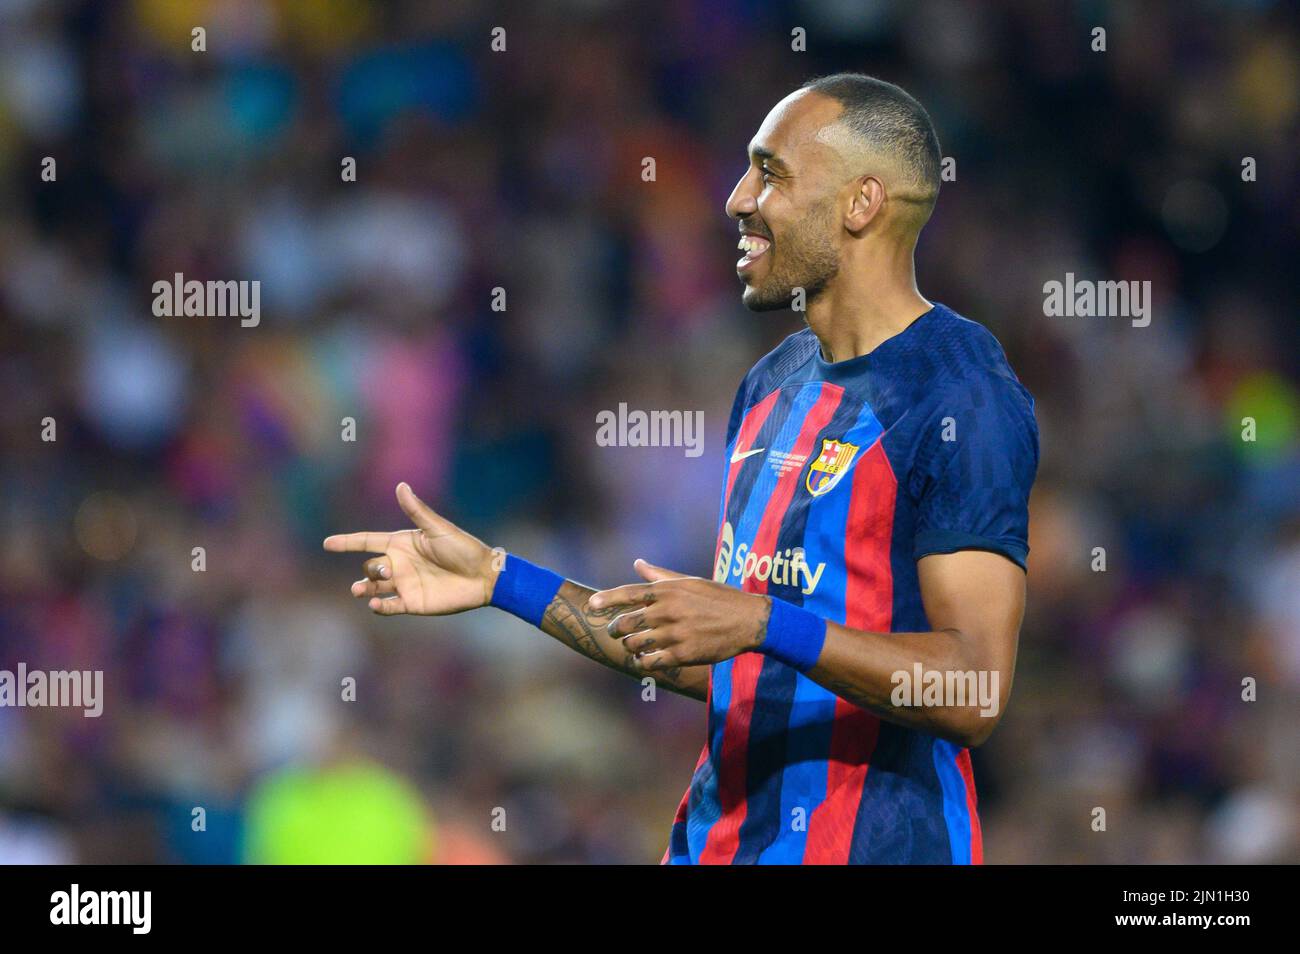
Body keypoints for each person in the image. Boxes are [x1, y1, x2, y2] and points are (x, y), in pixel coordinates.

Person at [324, 74, 1038, 864]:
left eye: (770, 173)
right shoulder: (773, 385)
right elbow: (729, 662)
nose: (736, 199)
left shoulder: (959, 391)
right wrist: (501, 579)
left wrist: (769, 623)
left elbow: (973, 689)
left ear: (861, 202)